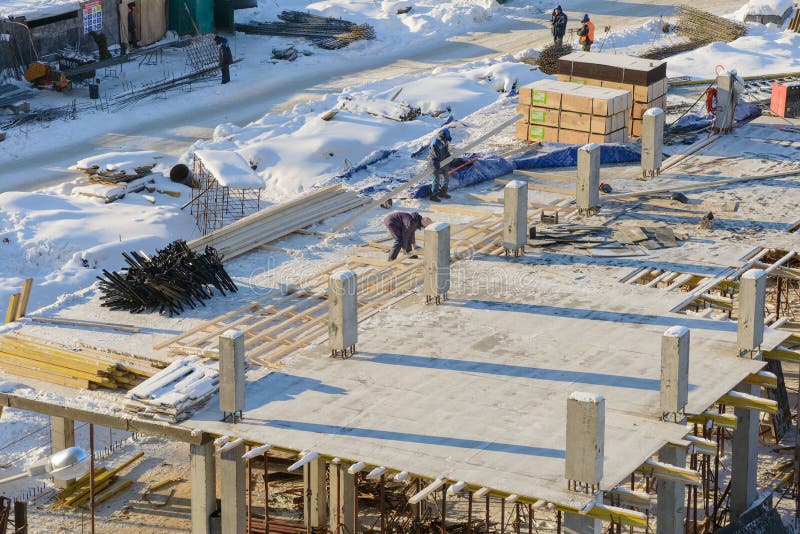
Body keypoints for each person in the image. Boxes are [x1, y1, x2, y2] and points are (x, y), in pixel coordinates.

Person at [427, 128, 452, 202]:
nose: (446, 140)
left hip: (444, 162)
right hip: (435, 164)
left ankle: (443, 192)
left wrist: (449, 158)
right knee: (436, 180)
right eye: (445, 139)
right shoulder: (435, 144)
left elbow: (446, 152)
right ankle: (433, 195)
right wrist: (436, 166)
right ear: (442, 136)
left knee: (446, 178)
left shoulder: (445, 142)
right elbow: (434, 156)